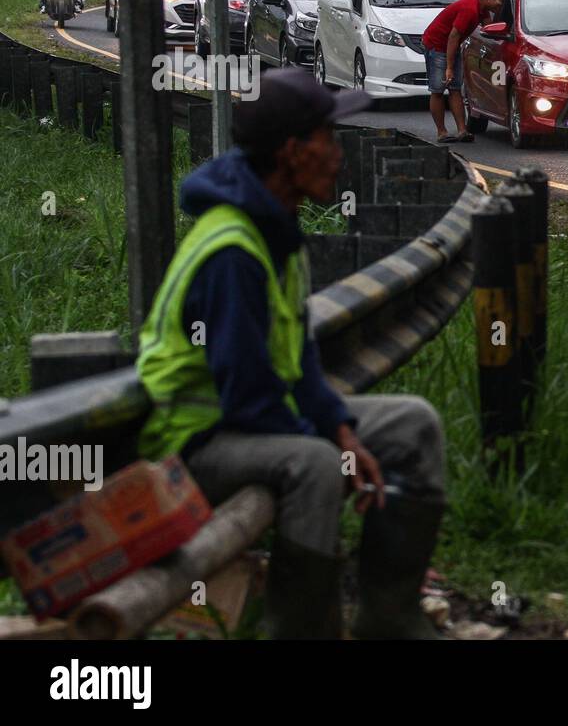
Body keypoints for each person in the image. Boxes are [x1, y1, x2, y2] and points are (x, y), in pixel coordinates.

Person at [134, 68, 448, 640]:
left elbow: (298, 367)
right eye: (328, 140)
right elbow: (249, 399)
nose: (337, 156)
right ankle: (300, 629)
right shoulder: (234, 250)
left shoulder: (278, 230)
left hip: (246, 423)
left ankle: (390, 616)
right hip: (197, 442)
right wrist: (332, 445)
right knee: (315, 465)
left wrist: (343, 429)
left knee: (412, 426)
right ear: (290, 153)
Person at [421, 0, 507, 143]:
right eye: (499, 0)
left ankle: (462, 130)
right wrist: (449, 67)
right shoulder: (470, 9)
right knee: (438, 89)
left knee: (455, 89)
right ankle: (442, 132)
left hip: (452, 46)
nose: (500, 4)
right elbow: (453, 36)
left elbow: (490, 28)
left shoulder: (482, 8)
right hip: (437, 46)